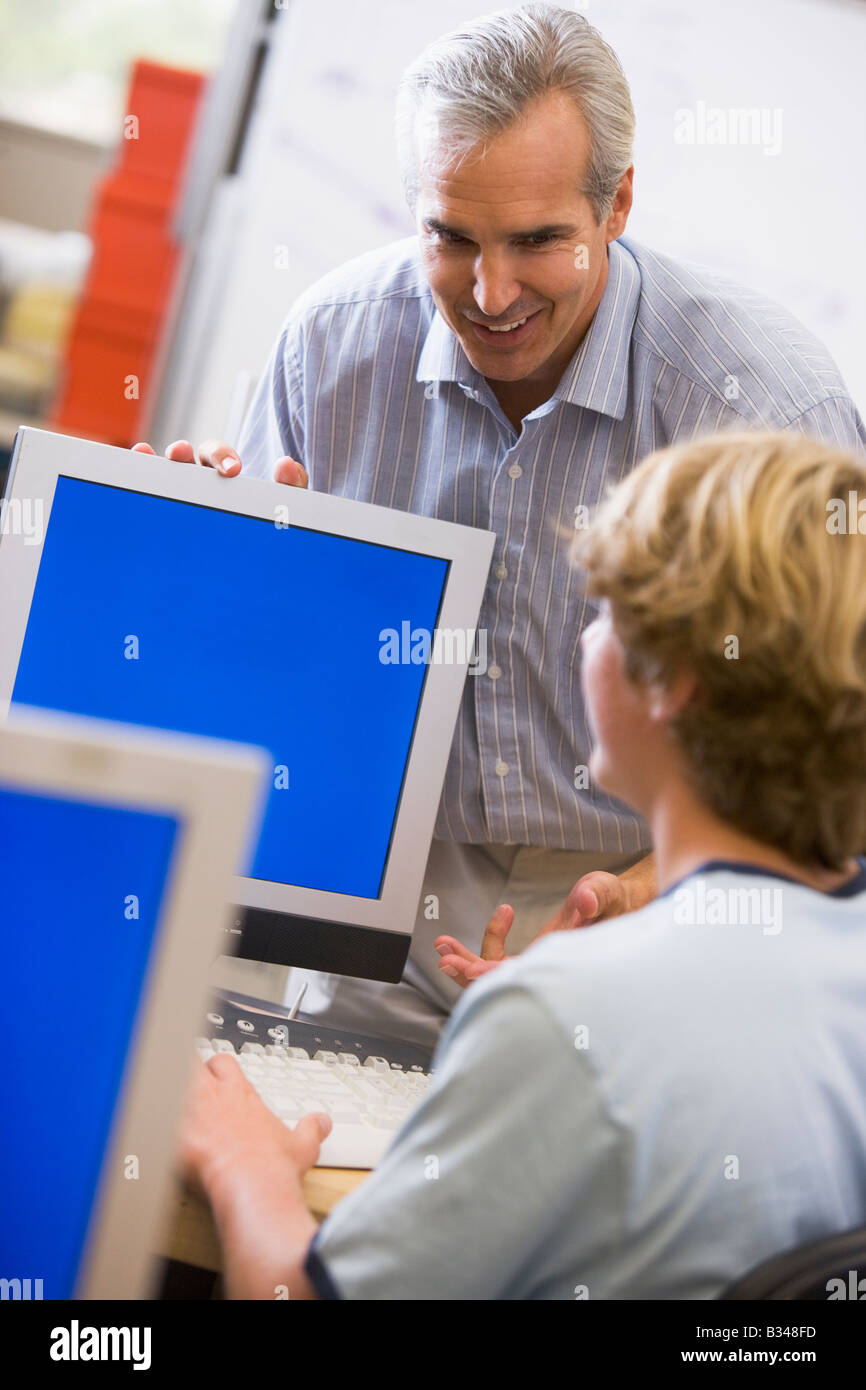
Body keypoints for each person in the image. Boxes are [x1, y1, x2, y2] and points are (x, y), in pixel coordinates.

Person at [136, 3, 865, 1046]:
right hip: (389, 889)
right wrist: (205, 562)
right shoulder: (329, 347)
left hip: (651, 895)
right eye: (450, 237)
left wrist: (635, 903)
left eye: (535, 242)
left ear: (615, 204)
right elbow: (247, 681)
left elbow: (831, 773)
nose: (488, 293)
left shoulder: (763, 406)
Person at [180, 428, 866, 1300]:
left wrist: (245, 1160)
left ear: (673, 682)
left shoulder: (571, 1012)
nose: (583, 638)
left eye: (608, 610)